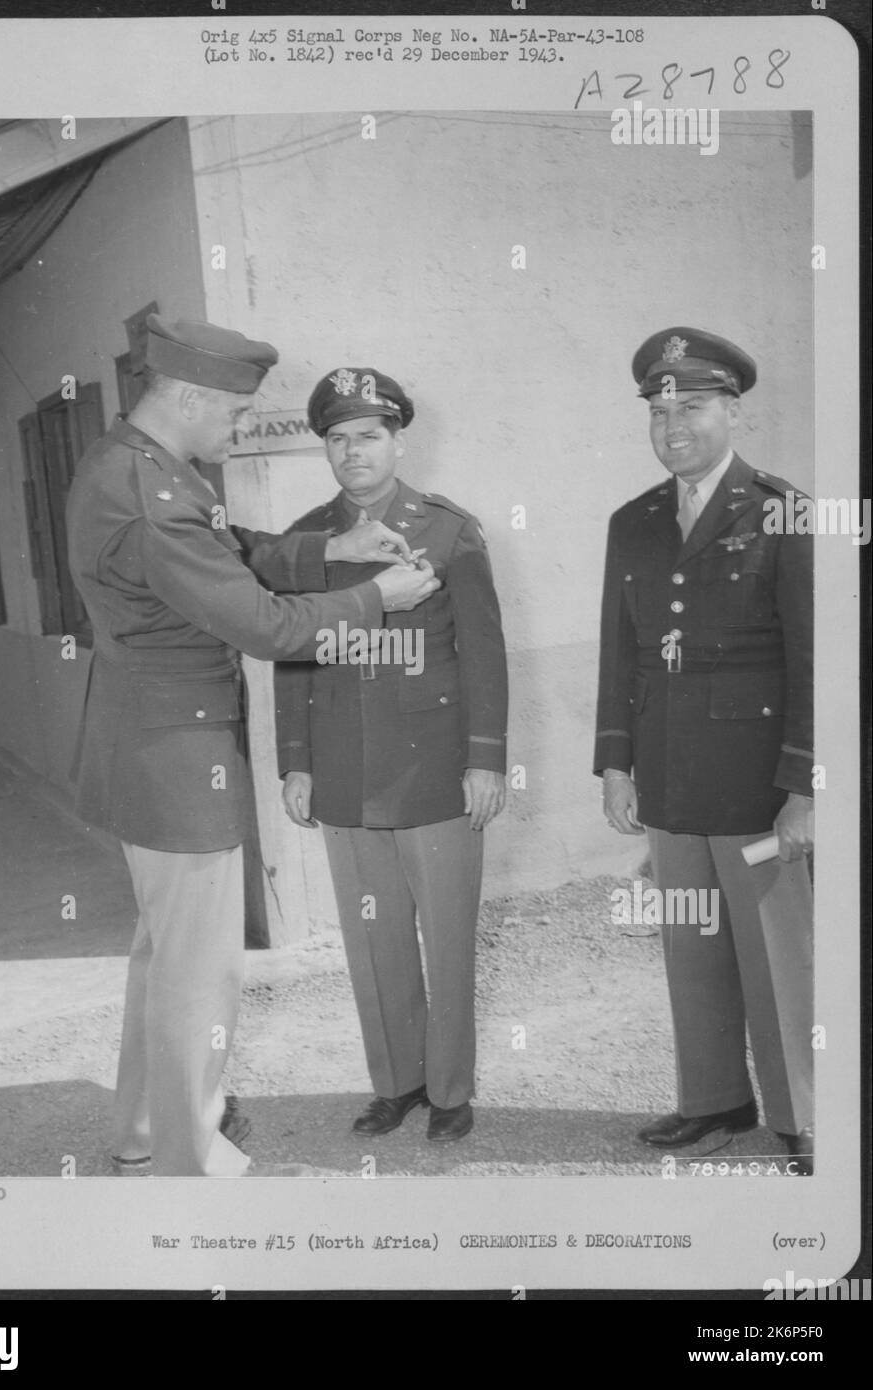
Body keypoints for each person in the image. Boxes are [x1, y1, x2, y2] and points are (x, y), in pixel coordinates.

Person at [65, 317, 438, 1176]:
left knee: (164, 960)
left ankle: (146, 1133)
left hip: (148, 743)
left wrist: (332, 547)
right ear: (191, 397)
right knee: (198, 976)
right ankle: (189, 1162)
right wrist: (376, 595)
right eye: (233, 412)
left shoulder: (138, 466)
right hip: (174, 758)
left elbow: (230, 554)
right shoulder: (152, 493)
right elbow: (261, 623)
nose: (237, 429)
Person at [594, 327, 814, 1174]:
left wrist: (805, 785)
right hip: (669, 775)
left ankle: (803, 1112)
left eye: (689, 407)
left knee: (775, 954)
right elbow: (622, 651)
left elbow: (815, 659)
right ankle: (714, 1097)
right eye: (658, 410)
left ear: (731, 409)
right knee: (691, 942)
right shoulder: (635, 523)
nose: (671, 423)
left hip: (758, 779)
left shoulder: (783, 510)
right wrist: (617, 762)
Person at [274, 367, 508, 1143]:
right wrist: (295, 759)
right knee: (373, 940)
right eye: (336, 439)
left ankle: (449, 1092)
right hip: (344, 765)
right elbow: (293, 654)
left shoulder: (448, 529)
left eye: (367, 435)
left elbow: (483, 653)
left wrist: (486, 759)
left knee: (444, 935)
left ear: (397, 439)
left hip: (435, 765)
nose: (352, 452)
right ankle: (396, 1083)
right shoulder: (308, 539)